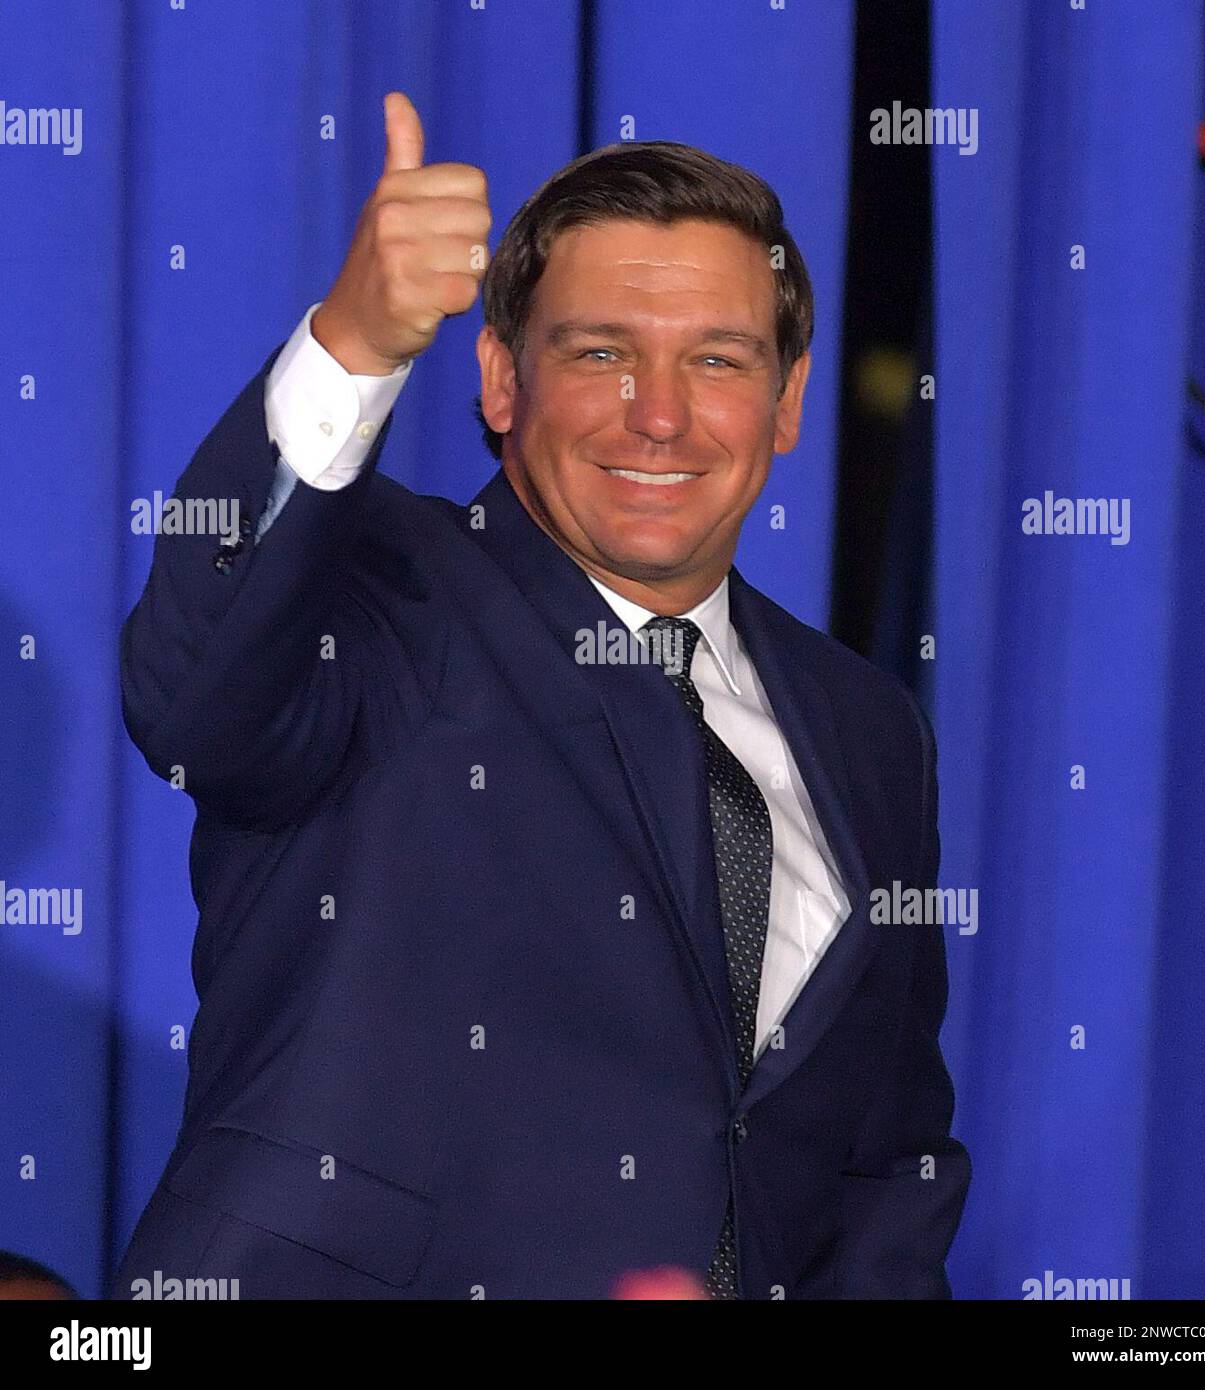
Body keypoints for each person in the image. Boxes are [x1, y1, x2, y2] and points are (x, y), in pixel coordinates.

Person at [111, 92, 969, 1300]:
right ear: (502, 378)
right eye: (602, 351)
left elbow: (885, 1164)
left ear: (786, 401)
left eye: (718, 359)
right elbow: (189, 692)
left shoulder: (870, 729)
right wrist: (356, 341)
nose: (661, 413)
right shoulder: (380, 590)